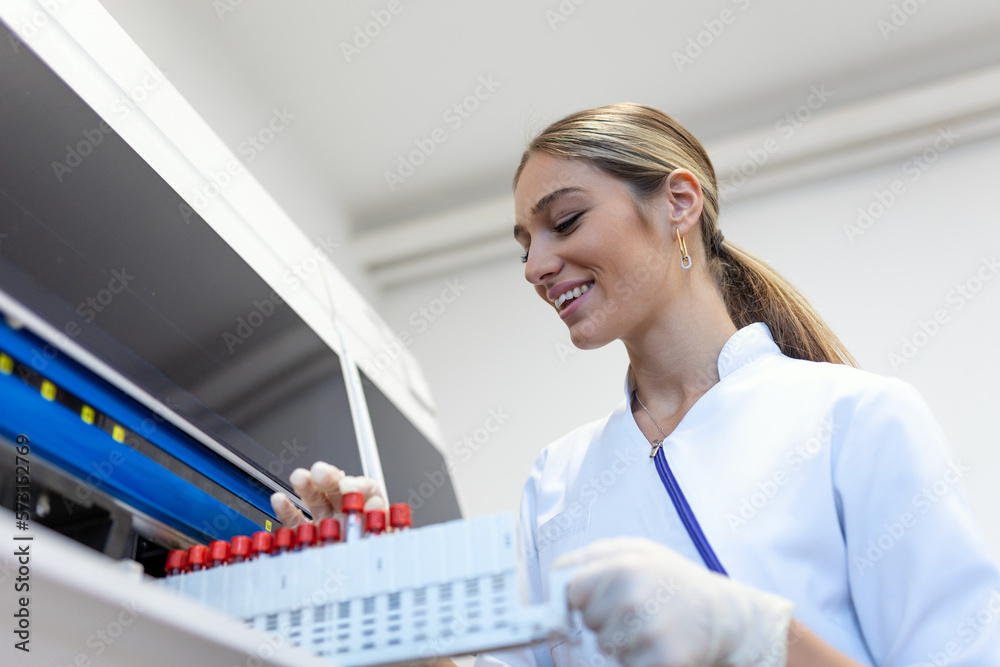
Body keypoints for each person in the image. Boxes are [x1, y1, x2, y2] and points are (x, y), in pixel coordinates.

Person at [271, 104, 1000, 666]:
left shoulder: (857, 418)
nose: (536, 266)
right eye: (527, 246)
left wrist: (755, 638)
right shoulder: (557, 480)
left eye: (564, 221)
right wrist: (383, 600)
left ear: (678, 204)